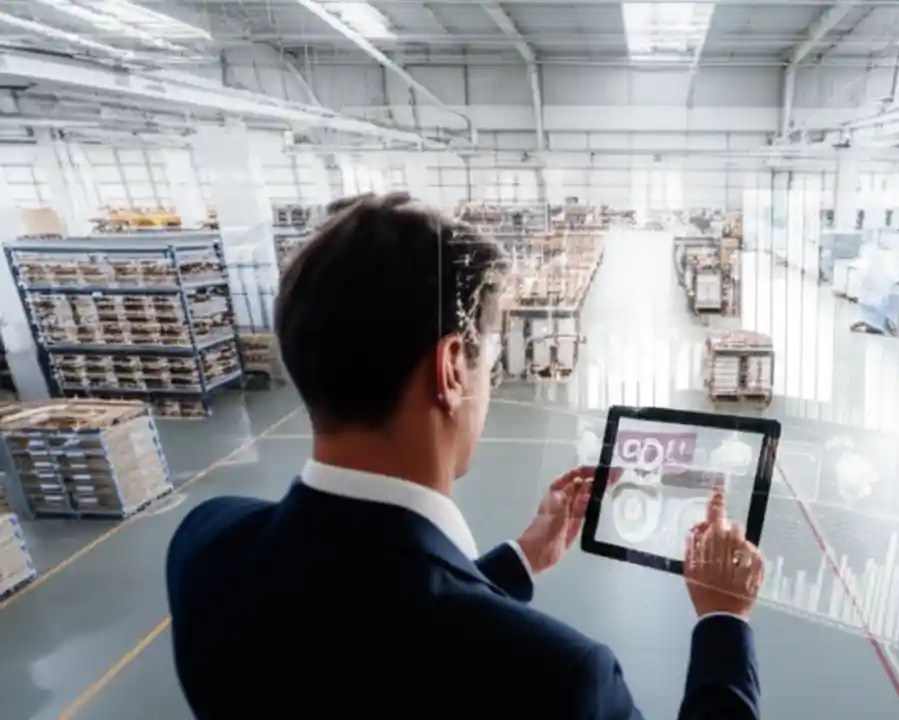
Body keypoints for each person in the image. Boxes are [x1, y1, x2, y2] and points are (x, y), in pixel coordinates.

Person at [165, 193, 766, 719]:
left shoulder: (205, 547)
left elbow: (371, 618)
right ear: (452, 369)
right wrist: (724, 621)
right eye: (489, 362)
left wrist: (522, 560)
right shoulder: (557, 679)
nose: (491, 383)